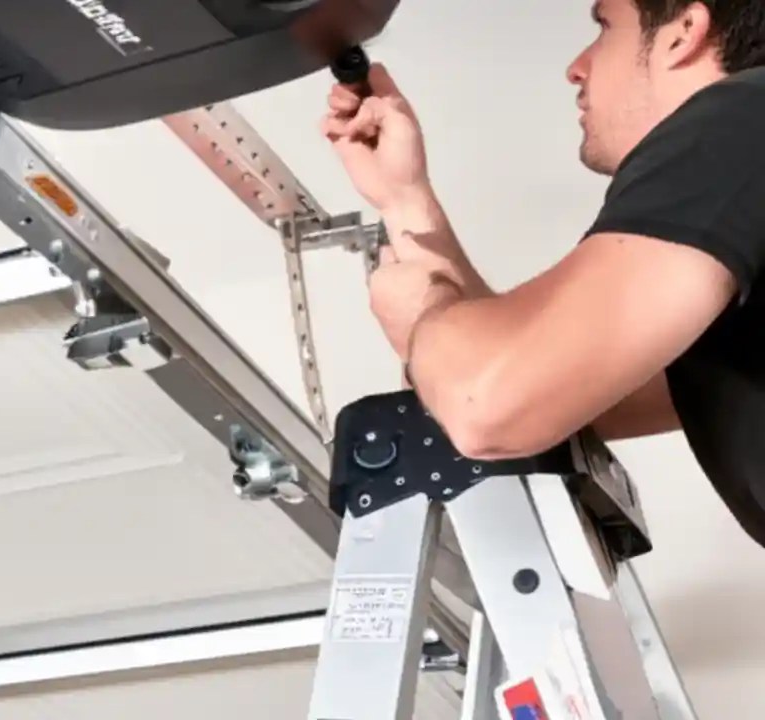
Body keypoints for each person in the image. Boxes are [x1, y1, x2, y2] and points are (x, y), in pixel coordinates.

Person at [321, 0, 765, 547]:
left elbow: (490, 406)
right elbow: (558, 393)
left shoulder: (741, 114)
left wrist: (422, 316)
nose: (576, 68)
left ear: (683, 33)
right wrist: (405, 198)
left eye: (605, 28)